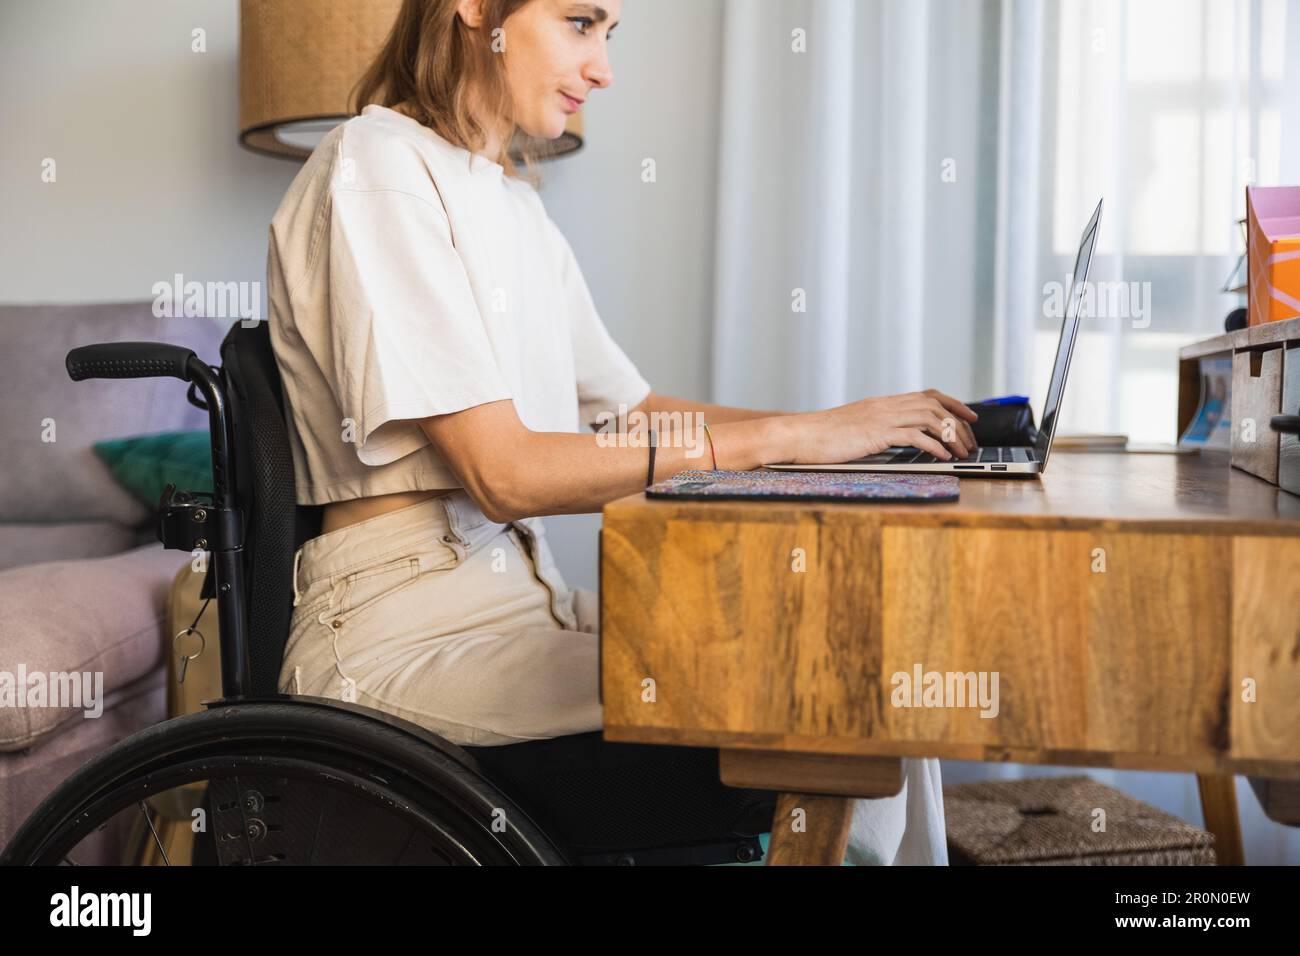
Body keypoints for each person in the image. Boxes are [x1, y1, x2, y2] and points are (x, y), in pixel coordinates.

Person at [264, 0, 975, 864]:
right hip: (402, 641)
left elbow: (632, 414)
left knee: (877, 661)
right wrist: (789, 436)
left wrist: (843, 431)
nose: (603, 69)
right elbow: (506, 474)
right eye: (579, 23)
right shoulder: (376, 167)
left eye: (609, 34)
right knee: (826, 703)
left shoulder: (515, 206)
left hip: (530, 606)